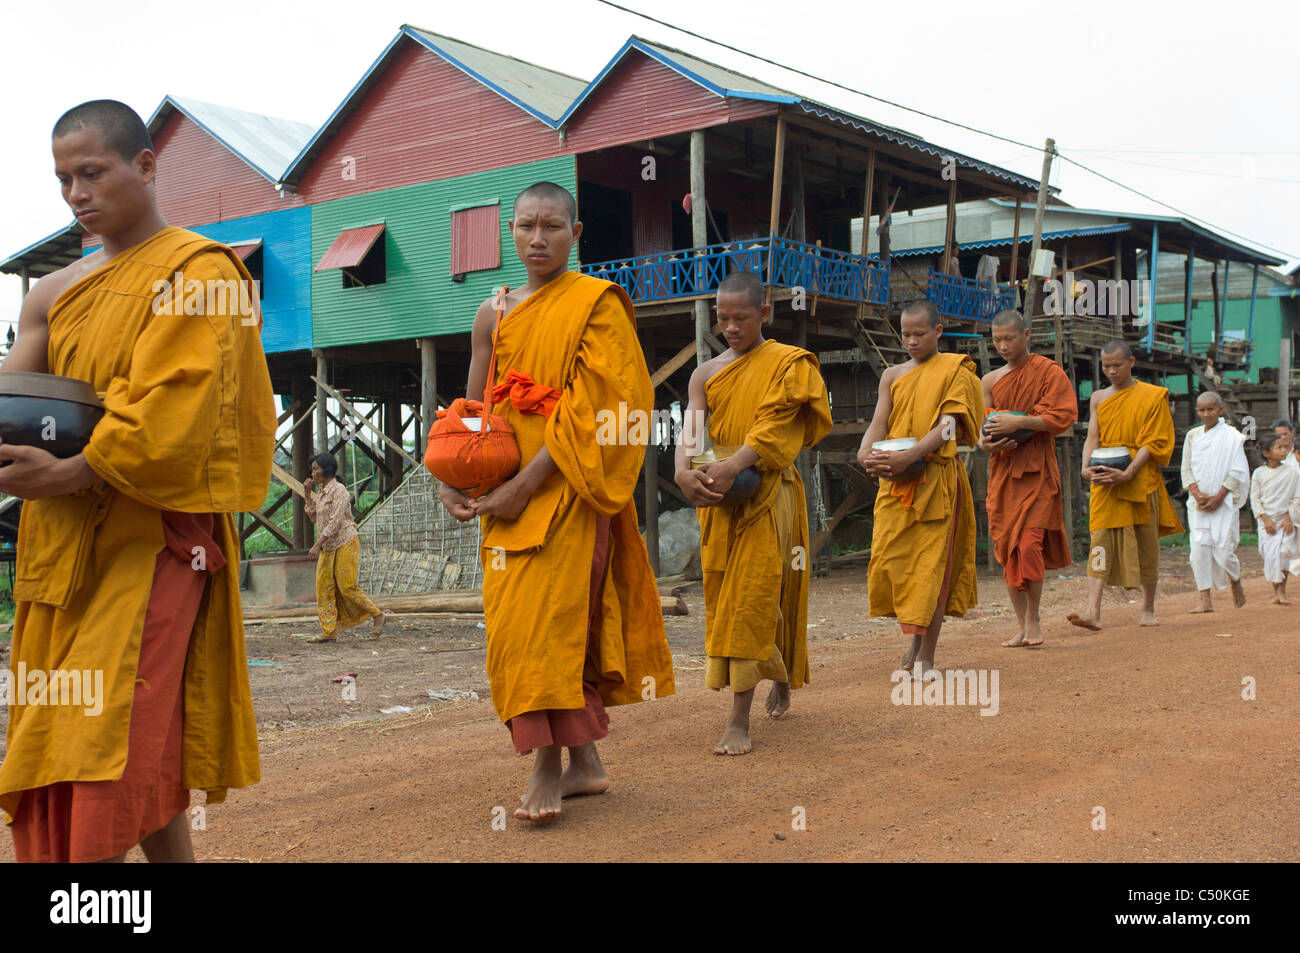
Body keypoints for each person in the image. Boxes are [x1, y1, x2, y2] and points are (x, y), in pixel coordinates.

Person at [0, 100, 274, 861]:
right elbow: (15, 410)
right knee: (80, 732)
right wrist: (31, 469)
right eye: (62, 179)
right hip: (58, 548)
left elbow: (180, 413)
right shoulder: (51, 294)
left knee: (108, 736)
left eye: (92, 171)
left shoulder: (202, 274)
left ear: (146, 166)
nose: (76, 194)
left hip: (150, 538)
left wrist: (74, 471)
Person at [437, 182, 675, 823]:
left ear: (575, 234)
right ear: (510, 232)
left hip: (569, 486)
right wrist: (457, 476)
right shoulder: (494, 312)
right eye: (525, 227)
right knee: (516, 626)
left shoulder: (596, 305)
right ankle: (587, 765)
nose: (537, 239)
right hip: (507, 490)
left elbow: (604, 410)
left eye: (552, 228)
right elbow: (478, 413)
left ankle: (548, 768)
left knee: (555, 623)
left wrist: (524, 487)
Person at [673, 271, 831, 755]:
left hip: (768, 492)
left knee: (757, 593)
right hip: (719, 497)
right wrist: (682, 470)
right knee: (731, 592)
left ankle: (738, 720)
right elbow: (693, 430)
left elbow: (776, 428)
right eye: (723, 318)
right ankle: (775, 672)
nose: (732, 327)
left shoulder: (789, 365)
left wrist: (735, 464)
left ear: (765, 313)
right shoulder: (705, 372)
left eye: (742, 317)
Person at [859, 299, 984, 675]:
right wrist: (865, 452)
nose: (912, 341)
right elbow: (879, 422)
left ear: (938, 331)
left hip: (936, 480)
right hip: (896, 483)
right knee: (897, 563)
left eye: (920, 334)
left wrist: (911, 454)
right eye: (906, 334)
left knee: (934, 568)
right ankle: (913, 638)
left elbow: (948, 426)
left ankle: (927, 652)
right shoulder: (892, 375)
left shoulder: (954, 370)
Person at [977, 310, 1077, 648]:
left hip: (1037, 471)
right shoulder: (989, 381)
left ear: (1026, 335)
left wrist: (1021, 424)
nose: (1003, 345)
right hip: (1004, 472)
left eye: (1010, 338)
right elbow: (982, 432)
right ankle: (1021, 624)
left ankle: (1034, 617)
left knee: (1029, 545)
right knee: (1007, 548)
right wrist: (989, 440)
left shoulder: (1048, 372)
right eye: (997, 339)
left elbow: (1063, 416)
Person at [1067, 340, 1181, 631]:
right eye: (1106, 366)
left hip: (1140, 478)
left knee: (1146, 544)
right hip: (1106, 477)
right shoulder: (1098, 397)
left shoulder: (1152, 396)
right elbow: (1093, 436)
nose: (1112, 371)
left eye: (1117, 365)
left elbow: (1153, 441)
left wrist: (1129, 472)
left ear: (1131, 362)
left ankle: (1148, 608)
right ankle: (1093, 611)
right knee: (1100, 541)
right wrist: (1084, 467)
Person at [303, 452, 389, 642]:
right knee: (323, 587)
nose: (313, 472)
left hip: (344, 542)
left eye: (316, 468)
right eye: (313, 469)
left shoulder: (340, 490)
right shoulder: (323, 493)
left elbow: (335, 522)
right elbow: (313, 517)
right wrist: (307, 494)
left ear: (327, 469)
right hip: (328, 546)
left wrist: (317, 545)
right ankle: (329, 631)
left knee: (347, 586)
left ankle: (377, 614)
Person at [1180, 392, 1249, 612]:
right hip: (1198, 503)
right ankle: (1204, 600)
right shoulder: (1192, 436)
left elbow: (1237, 470)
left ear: (1220, 410)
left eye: (1210, 409)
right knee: (1198, 551)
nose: (1206, 414)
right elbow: (1186, 468)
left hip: (1223, 502)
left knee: (1223, 550)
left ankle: (1235, 579)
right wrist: (1196, 493)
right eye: (1201, 409)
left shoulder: (1232, 436)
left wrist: (1219, 497)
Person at [1250, 432, 1299, 605]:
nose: (1284, 451)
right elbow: (1255, 499)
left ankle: (1282, 592)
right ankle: (1275, 592)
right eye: (1279, 448)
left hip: (1285, 520)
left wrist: (1288, 517)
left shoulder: (1292, 472)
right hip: (1266, 523)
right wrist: (1265, 519)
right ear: (1266, 453)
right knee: (1270, 556)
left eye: (1285, 447)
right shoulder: (1258, 473)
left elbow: (1296, 497)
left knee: (1283, 553)